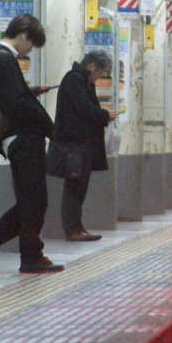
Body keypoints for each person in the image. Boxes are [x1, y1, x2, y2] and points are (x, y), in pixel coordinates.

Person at [0, 13, 63, 274]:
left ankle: (6, 245)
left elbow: (10, 96)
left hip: (19, 137)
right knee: (34, 200)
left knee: (32, 201)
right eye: (31, 44)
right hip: (23, 138)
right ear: (23, 36)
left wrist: (30, 91)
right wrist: (49, 127)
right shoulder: (4, 59)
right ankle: (20, 252)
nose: (30, 50)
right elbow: (15, 104)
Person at [53, 50, 118, 241]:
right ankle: (73, 230)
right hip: (74, 144)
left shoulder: (84, 81)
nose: (99, 77)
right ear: (91, 67)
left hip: (83, 144)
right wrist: (105, 115)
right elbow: (85, 109)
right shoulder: (75, 80)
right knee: (74, 188)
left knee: (79, 188)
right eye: (100, 73)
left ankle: (77, 227)